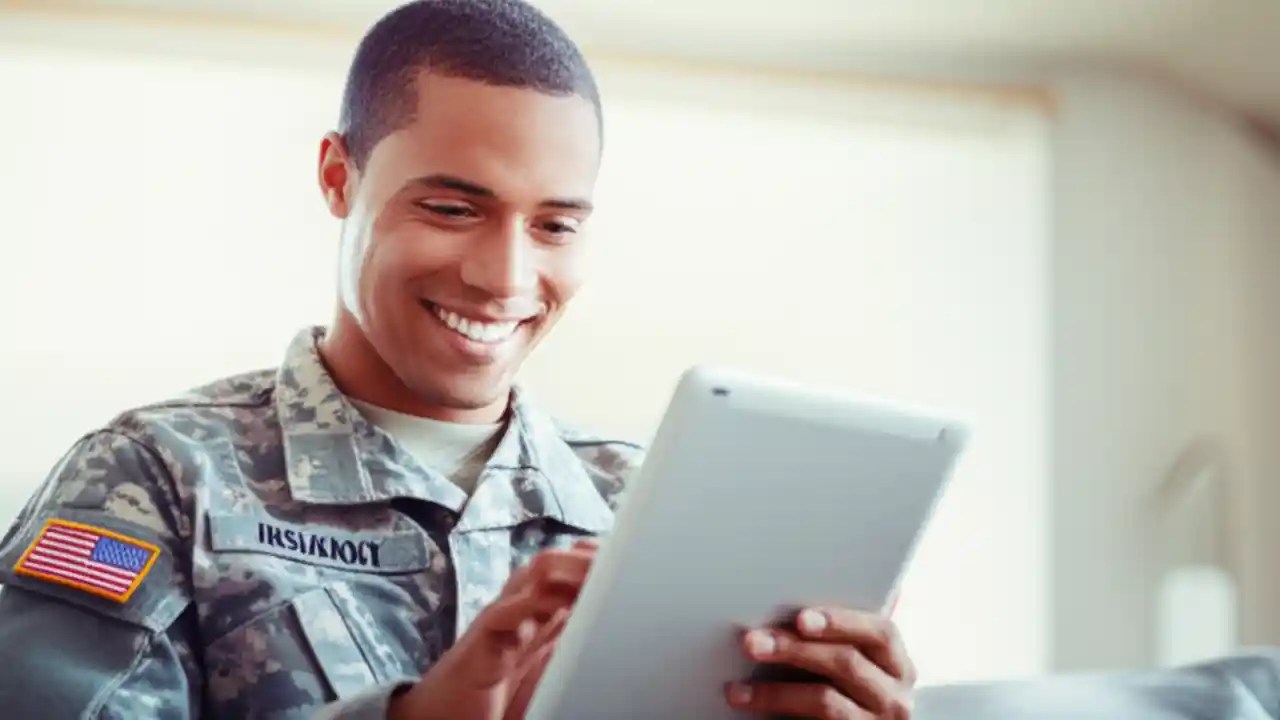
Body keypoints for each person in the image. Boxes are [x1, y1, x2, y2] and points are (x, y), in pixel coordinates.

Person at [0, 1, 917, 718]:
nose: (505, 278)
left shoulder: (651, 510)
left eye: (554, 226)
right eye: (452, 210)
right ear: (339, 177)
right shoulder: (156, 479)